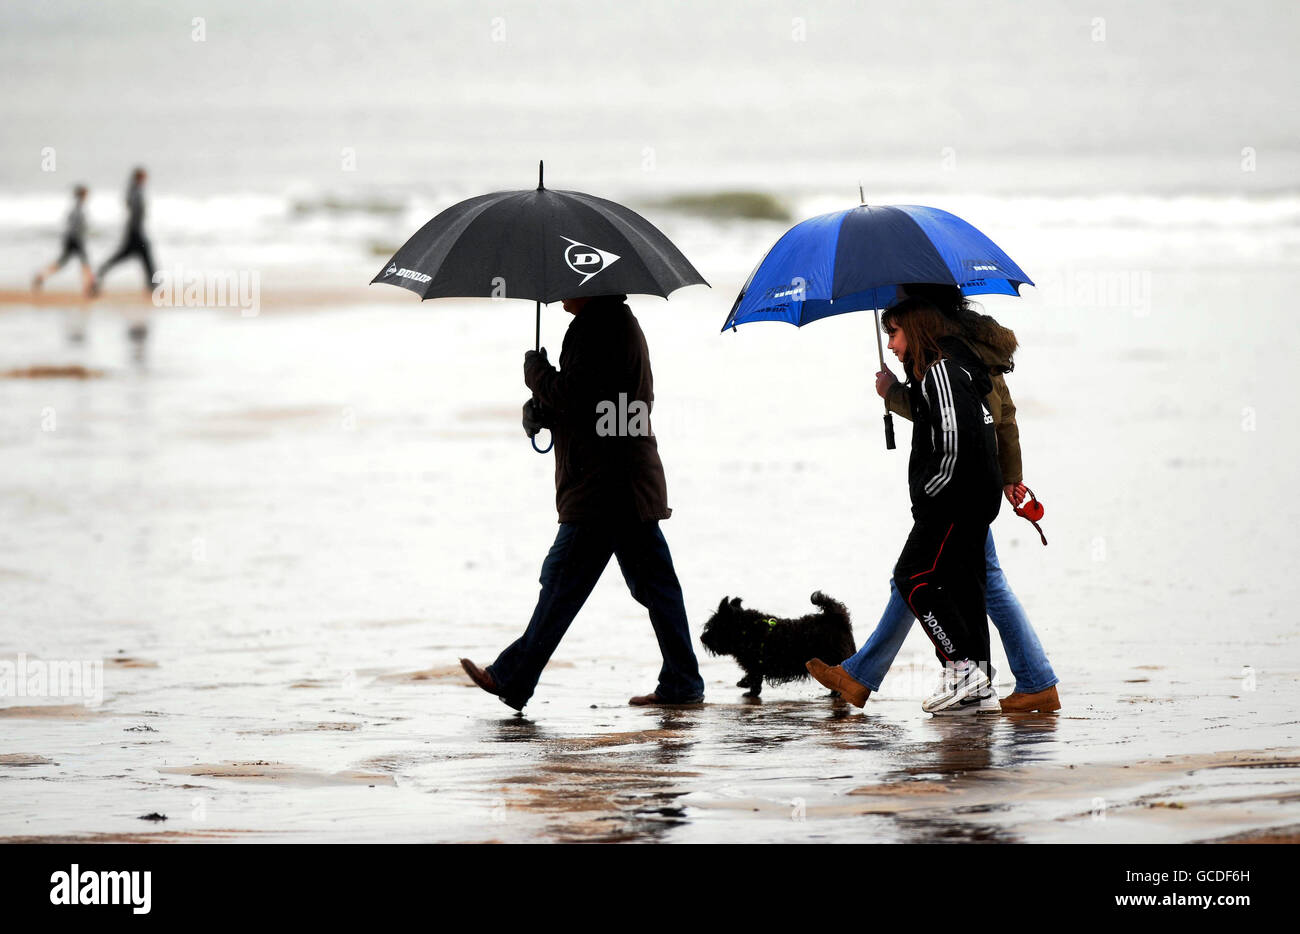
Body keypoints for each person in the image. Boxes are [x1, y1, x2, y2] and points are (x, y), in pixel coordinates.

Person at [809, 287, 1061, 714]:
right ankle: (977, 679)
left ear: (922, 314)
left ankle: (984, 674)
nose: (890, 341)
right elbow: (984, 417)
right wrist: (1007, 477)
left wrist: (934, 485)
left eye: (894, 329)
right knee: (965, 582)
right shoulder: (963, 349)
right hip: (977, 488)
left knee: (921, 578)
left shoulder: (949, 360)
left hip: (958, 492)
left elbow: (958, 424)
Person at [459, 293, 705, 711]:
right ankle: (682, 681)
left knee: (563, 581)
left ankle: (513, 677)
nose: (557, 295)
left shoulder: (602, 327)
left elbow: (574, 395)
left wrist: (535, 374)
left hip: (605, 487)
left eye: (569, 282)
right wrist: (539, 409)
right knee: (654, 586)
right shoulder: (611, 324)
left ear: (591, 284)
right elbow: (595, 403)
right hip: (622, 480)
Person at [32, 184, 93, 296]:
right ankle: (88, 288)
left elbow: (68, 223)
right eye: (86, 194)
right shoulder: (78, 209)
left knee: (63, 263)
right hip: (75, 240)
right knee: (84, 263)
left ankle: (41, 276)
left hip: (71, 239)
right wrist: (80, 239)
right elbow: (77, 227)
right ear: (82, 195)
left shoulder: (75, 208)